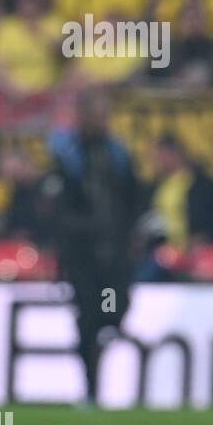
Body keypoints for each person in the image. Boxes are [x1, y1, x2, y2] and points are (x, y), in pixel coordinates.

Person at [44, 89, 140, 406]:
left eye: (105, 115)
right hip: (82, 256)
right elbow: (56, 208)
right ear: (82, 117)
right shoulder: (67, 156)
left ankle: (104, 333)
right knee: (86, 319)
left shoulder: (118, 154)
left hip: (114, 255)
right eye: (96, 115)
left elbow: (132, 198)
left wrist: (129, 236)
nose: (102, 121)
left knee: (116, 309)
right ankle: (90, 389)